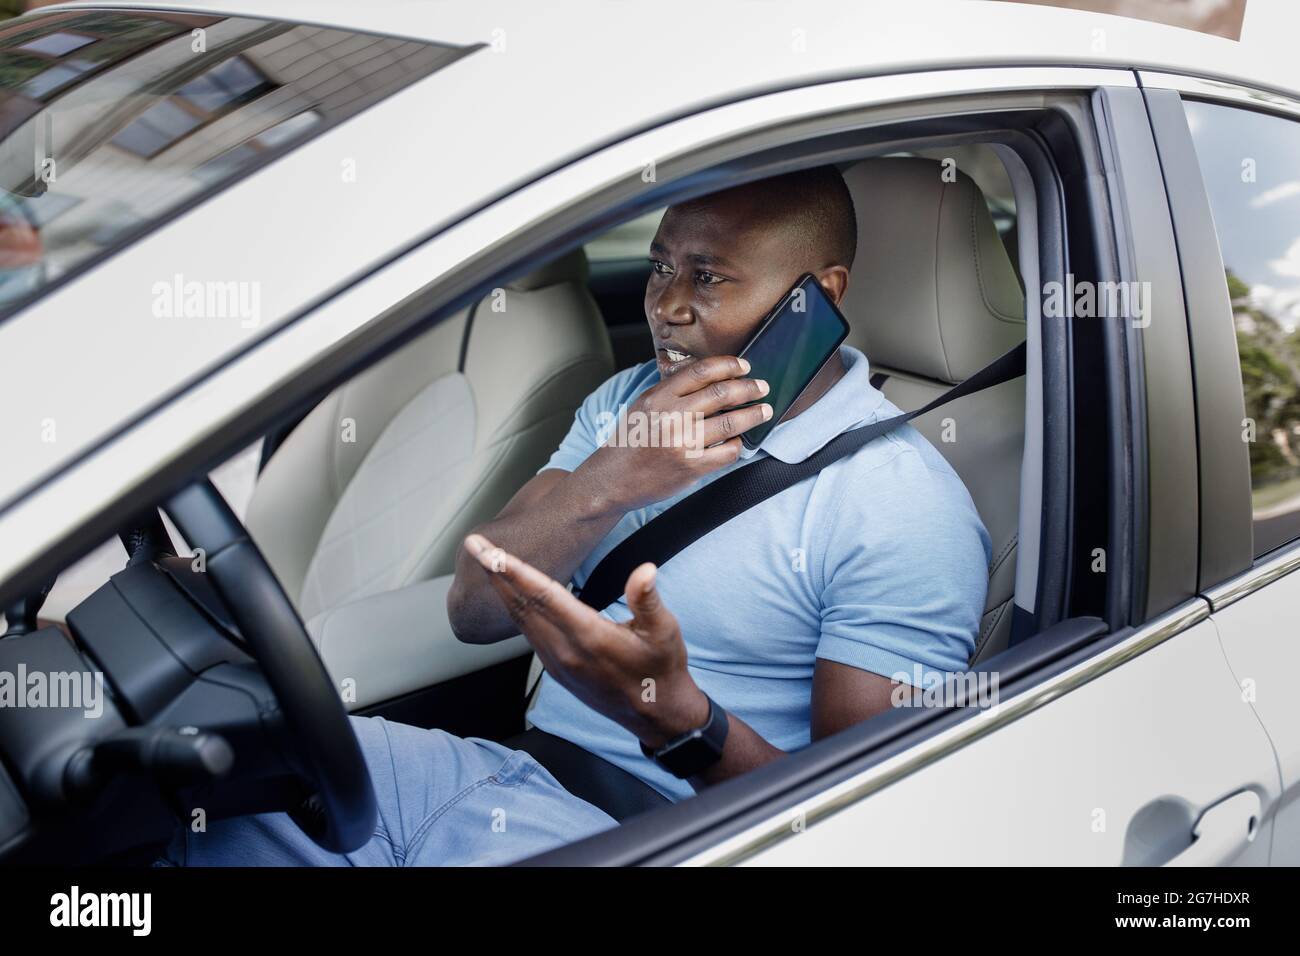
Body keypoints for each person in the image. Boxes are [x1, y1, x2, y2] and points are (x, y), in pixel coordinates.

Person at [163, 166, 989, 866]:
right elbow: (474, 610)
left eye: (708, 277)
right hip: (494, 773)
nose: (666, 304)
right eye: (661, 267)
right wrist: (610, 480)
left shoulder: (900, 505)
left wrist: (674, 719)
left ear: (819, 294)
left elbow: (855, 829)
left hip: (655, 834)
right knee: (191, 787)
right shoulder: (624, 407)